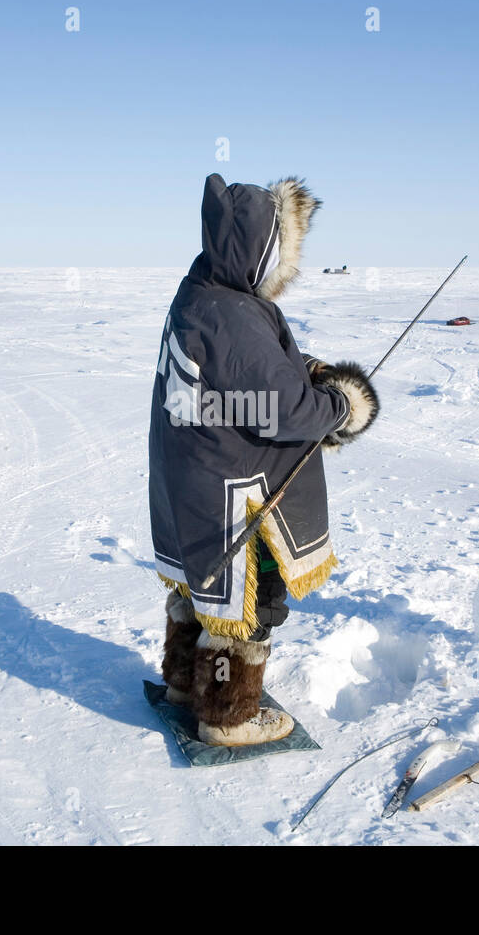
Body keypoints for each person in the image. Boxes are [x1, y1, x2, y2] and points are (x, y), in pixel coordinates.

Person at [149, 174, 379, 746]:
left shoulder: (201, 288)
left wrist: (297, 367)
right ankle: (227, 716)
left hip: (193, 475)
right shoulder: (233, 313)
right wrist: (339, 404)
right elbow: (281, 409)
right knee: (249, 598)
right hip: (235, 483)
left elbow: (240, 381)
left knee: (201, 587)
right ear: (262, 247)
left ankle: (185, 684)